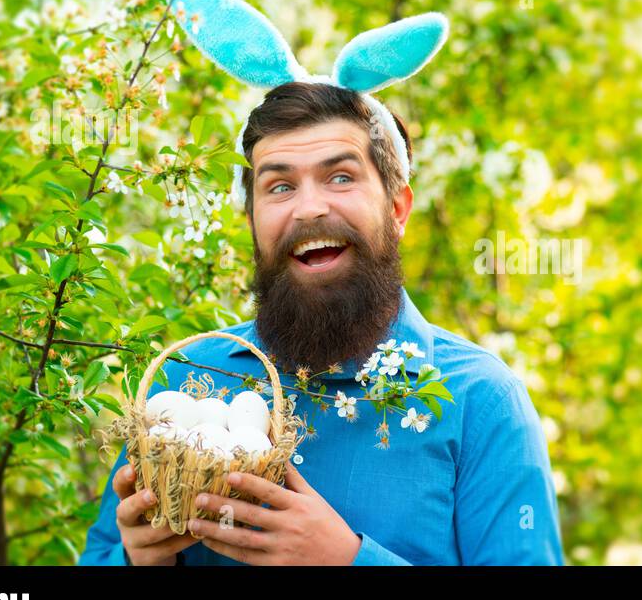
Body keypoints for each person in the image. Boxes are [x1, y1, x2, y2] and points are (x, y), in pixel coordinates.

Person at [77, 81, 564, 565]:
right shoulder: (187, 380)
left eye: (340, 178)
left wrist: (347, 560)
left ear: (397, 209)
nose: (309, 207)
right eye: (280, 186)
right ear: (252, 222)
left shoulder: (481, 401)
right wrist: (136, 560)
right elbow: (100, 556)